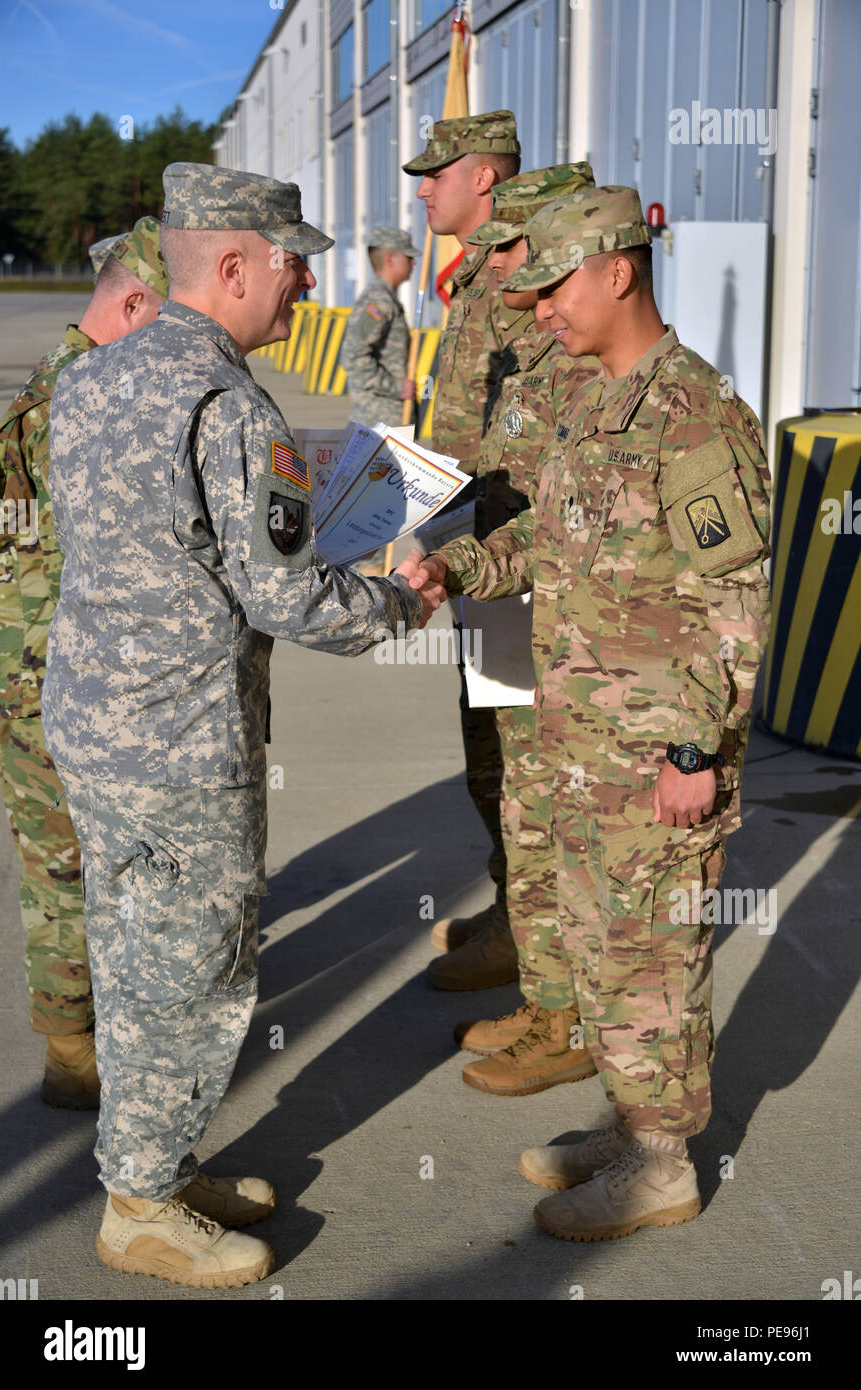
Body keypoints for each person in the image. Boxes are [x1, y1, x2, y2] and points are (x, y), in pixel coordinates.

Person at [41, 163, 434, 1288]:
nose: (306, 282)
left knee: (129, 956)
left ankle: (148, 1162)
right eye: (290, 261)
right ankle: (142, 1205)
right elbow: (287, 594)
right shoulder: (228, 403)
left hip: (95, 723)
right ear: (231, 266)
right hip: (180, 743)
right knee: (192, 973)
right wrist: (404, 598)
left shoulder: (93, 379)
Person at [402, 186, 771, 1241]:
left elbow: (735, 604)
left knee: (652, 957)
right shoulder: (585, 401)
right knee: (600, 949)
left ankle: (664, 1163)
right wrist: (458, 564)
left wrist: (698, 749)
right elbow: (542, 541)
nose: (543, 310)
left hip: (656, 751)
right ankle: (628, 1122)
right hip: (576, 742)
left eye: (555, 285)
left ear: (619, 270)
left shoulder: (695, 413)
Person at [0, 217, 168, 1109]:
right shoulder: (84, 396)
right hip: (48, 673)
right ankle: (73, 1052)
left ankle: (84, 1033)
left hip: (38, 660)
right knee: (71, 865)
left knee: (70, 864)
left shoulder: (68, 380)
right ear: (132, 303)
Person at [425, 165, 598, 1028]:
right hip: (488, 564)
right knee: (497, 772)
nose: (496, 268)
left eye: (511, 251)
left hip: (528, 585)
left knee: (538, 794)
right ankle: (522, 936)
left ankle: (553, 989)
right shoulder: (519, 336)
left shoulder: (566, 356)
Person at [403, 110, 525, 985]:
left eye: (435, 175)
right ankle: (516, 906)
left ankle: (534, 938)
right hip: (470, 536)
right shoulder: (478, 272)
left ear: (481, 177)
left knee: (514, 745)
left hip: (511, 543)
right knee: (486, 738)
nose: (421, 191)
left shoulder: (522, 270)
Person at [340, 225, 419, 427]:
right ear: (390, 259)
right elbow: (353, 357)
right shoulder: (378, 301)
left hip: (389, 420)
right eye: (407, 256)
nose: (413, 261)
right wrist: (396, 387)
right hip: (378, 422)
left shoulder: (387, 298)